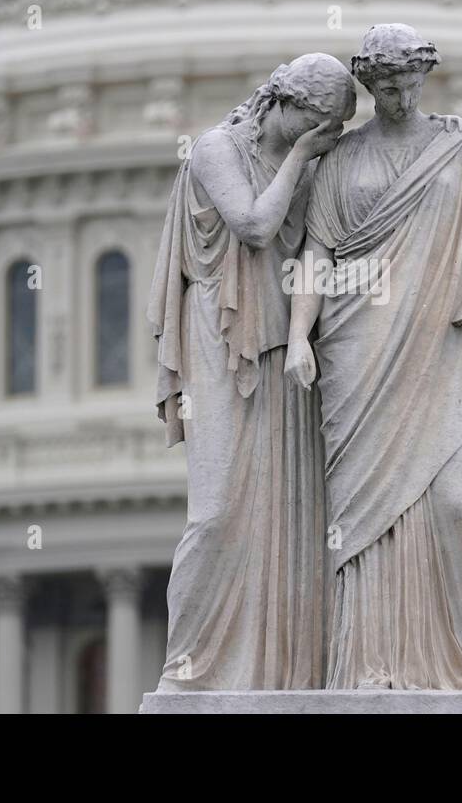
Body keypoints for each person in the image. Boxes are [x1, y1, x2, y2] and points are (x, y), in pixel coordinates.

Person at [286, 25, 462, 691]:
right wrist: (298, 336)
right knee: (361, 522)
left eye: (408, 84)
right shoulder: (343, 159)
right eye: (384, 88)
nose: (399, 97)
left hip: (446, 347)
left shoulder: (461, 151)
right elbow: (318, 253)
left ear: (425, 77)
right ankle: (365, 667)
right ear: (368, 86)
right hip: (358, 355)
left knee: (455, 505)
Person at [148, 54, 357, 691]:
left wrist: (301, 336)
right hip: (221, 339)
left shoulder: (314, 166)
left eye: (330, 134)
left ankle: (283, 676)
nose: (321, 142)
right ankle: (190, 673)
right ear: (283, 104)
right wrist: (304, 157)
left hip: (284, 354)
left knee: (288, 519)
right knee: (215, 515)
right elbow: (256, 226)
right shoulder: (218, 148)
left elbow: (319, 252)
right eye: (317, 126)